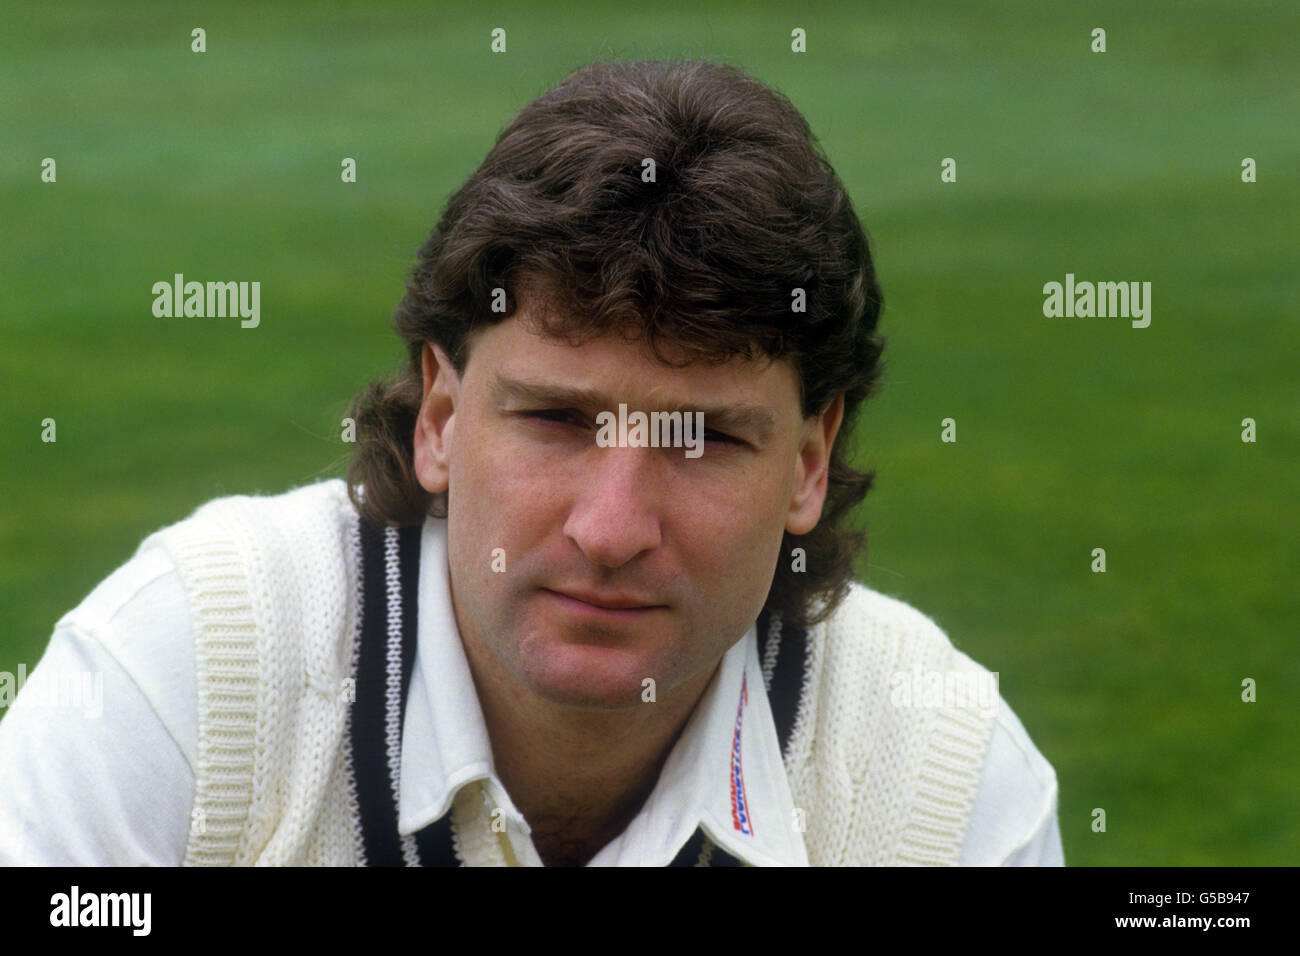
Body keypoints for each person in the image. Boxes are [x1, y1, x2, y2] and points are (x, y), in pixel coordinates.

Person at [0, 58, 1062, 866]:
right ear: (442, 415)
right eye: (556, 420)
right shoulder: (184, 669)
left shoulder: (938, 771)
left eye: (703, 437)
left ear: (808, 462)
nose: (610, 528)